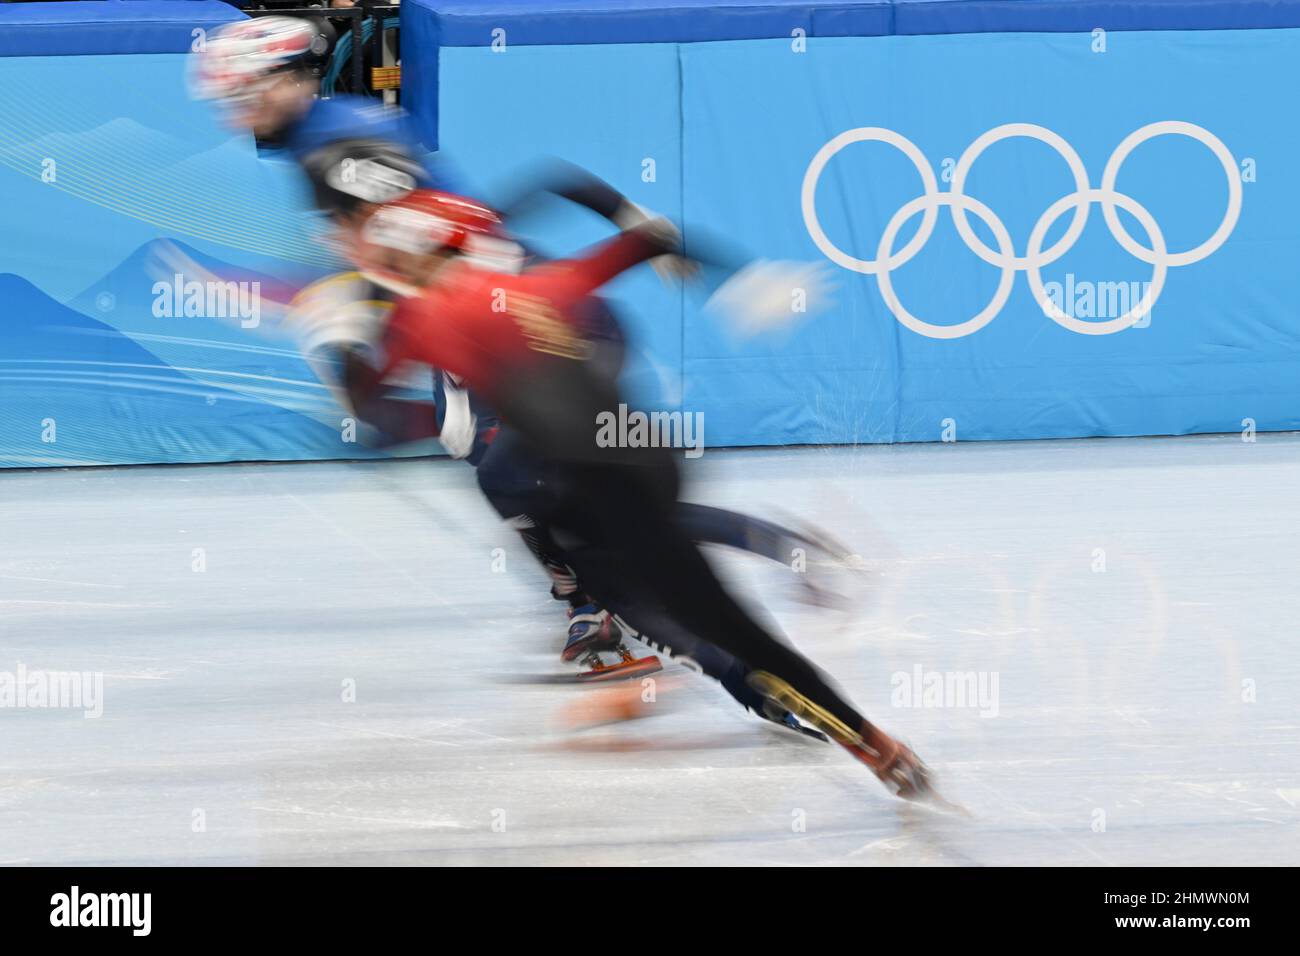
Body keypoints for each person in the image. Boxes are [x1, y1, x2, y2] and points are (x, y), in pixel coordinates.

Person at [335, 188, 934, 799]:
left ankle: (784, 694)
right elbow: (656, 236)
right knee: (700, 599)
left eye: (396, 261)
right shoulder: (544, 285)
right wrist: (745, 282)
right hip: (649, 457)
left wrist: (350, 349)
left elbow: (372, 422)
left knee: (653, 600)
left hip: (586, 488)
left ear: (415, 259)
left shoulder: (423, 320)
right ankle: (852, 721)